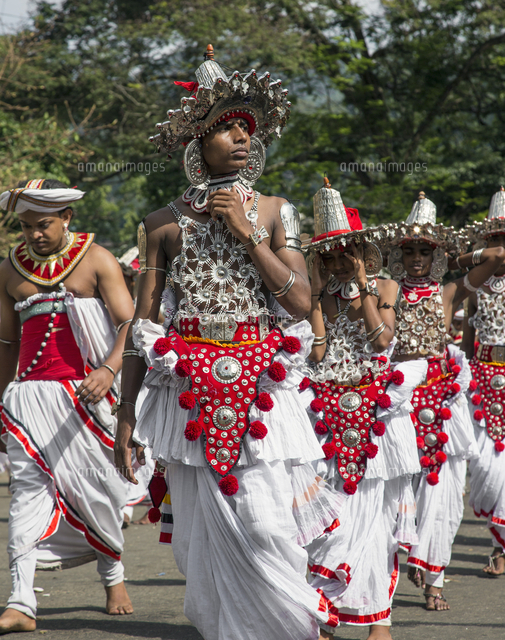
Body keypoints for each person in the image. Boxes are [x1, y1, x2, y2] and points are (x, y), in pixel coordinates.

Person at [114, 46, 343, 640]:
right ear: (197, 143)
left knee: (267, 523)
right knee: (196, 538)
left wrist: (247, 236)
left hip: (261, 384)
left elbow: (299, 304)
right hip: (188, 389)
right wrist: (125, 422)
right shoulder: (163, 223)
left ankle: (291, 622)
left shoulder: (273, 211)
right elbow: (143, 333)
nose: (240, 138)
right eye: (225, 128)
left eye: (248, 128)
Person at [0, 179, 135, 634]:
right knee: (26, 495)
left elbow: (130, 327)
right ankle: (20, 600)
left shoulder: (97, 260)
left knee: (99, 492)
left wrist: (109, 371)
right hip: (30, 400)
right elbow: (5, 343)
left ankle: (112, 575)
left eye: (43, 225)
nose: (34, 235)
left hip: (87, 396)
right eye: (24, 226)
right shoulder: (8, 270)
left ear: (67, 218)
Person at [302, 178, 422, 640]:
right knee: (329, 521)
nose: (335, 262)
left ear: (359, 251)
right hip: (324, 412)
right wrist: (316, 295)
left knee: (375, 518)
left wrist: (363, 285)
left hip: (376, 412)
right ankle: (327, 614)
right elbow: (315, 354)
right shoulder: (320, 295)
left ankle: (379, 620)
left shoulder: (386, 285)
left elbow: (382, 341)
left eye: (343, 253)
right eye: (327, 255)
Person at [387, 191, 505, 610]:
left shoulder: (448, 291)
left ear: (436, 255)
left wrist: (457, 255)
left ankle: (434, 578)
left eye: (425, 250)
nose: (417, 258)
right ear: (398, 255)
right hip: (399, 400)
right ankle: (409, 557)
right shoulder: (386, 290)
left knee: (445, 489)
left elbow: (495, 257)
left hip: (443, 400)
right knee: (399, 484)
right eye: (410, 250)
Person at [463, 186, 505, 576]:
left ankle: (499, 547)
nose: (501, 246)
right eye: (495, 238)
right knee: (487, 469)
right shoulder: (477, 284)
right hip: (481, 377)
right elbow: (470, 335)